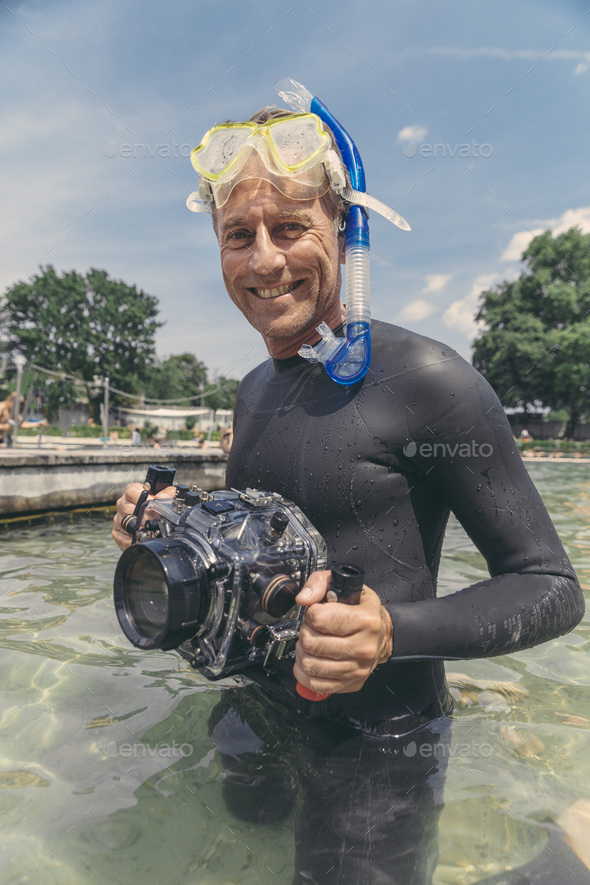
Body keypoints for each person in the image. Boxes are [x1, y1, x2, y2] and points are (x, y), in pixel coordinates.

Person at [112, 89, 586, 884]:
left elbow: (552, 586)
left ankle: (565, 855)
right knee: (238, 829)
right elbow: (269, 542)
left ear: (346, 230)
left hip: (380, 734)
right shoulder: (252, 391)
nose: (264, 260)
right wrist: (168, 526)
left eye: (291, 227)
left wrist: (391, 631)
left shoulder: (427, 381)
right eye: (239, 235)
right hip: (258, 709)